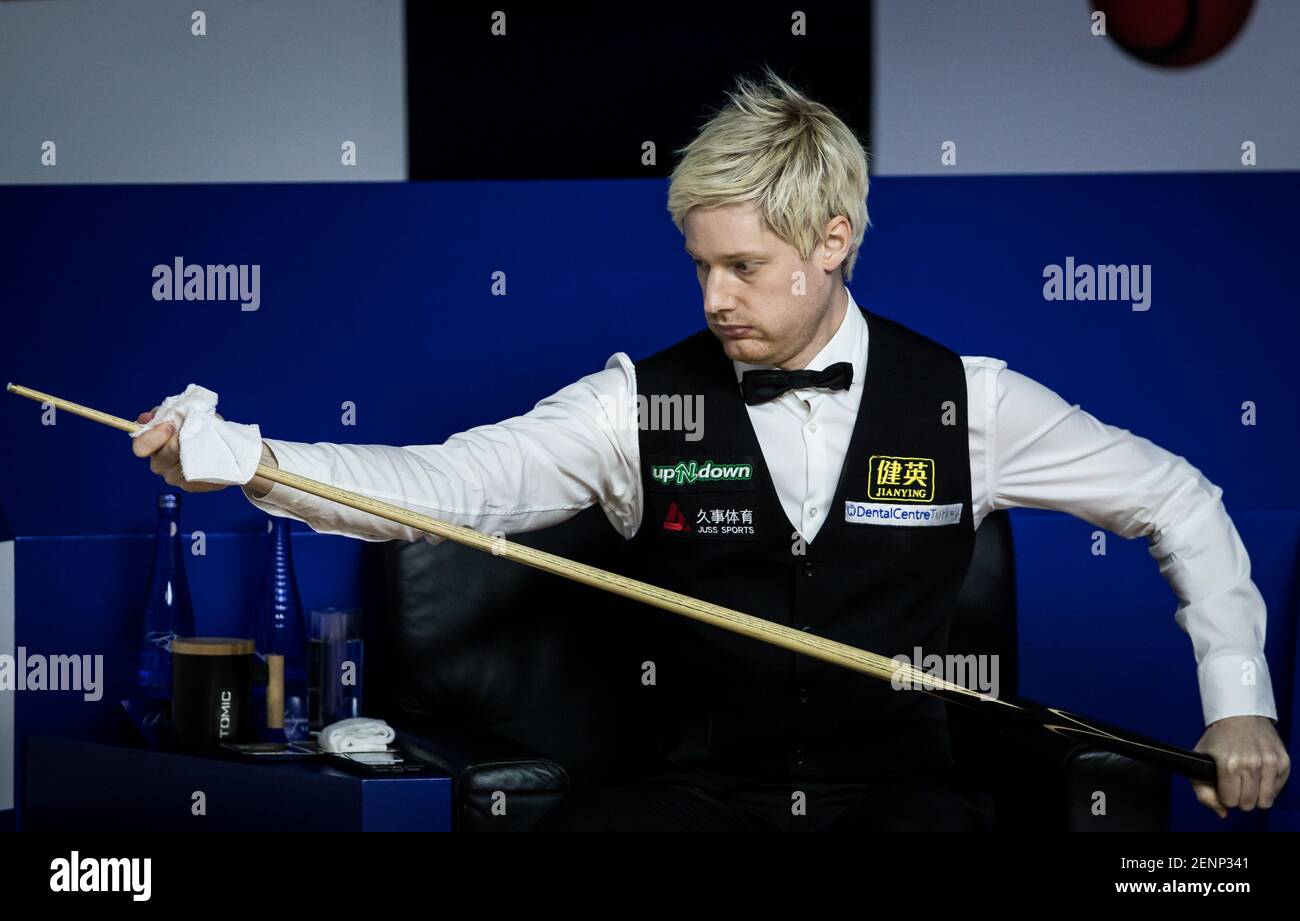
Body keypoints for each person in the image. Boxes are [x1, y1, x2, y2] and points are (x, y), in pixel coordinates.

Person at [132, 69, 1288, 830]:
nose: (713, 297)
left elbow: (1178, 500)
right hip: (697, 799)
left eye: (743, 267)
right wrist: (253, 458)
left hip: (901, 801)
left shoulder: (968, 403)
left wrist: (1237, 703)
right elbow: (450, 487)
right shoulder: (638, 404)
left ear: (831, 242)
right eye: (700, 266)